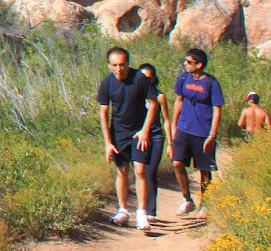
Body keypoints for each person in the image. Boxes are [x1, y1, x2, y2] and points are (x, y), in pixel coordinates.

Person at [96, 46, 159, 230]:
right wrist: (108, 143)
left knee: (140, 170)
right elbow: (103, 113)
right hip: (119, 133)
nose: (119, 69)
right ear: (109, 65)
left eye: (122, 64)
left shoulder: (139, 78)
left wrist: (145, 130)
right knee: (122, 171)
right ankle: (123, 210)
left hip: (138, 131)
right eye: (114, 65)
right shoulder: (107, 82)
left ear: (128, 63)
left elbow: (153, 103)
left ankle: (142, 213)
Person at [171, 47, 225, 214]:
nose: (185, 64)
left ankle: (205, 203)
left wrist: (212, 134)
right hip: (184, 128)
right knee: (177, 162)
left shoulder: (211, 83)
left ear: (199, 65)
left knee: (204, 170)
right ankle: (187, 199)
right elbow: (179, 101)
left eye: (189, 62)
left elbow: (217, 109)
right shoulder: (183, 78)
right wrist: (174, 125)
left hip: (203, 132)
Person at [137, 63, 170, 222]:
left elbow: (166, 120)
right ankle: (141, 209)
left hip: (156, 136)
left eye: (149, 78)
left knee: (150, 171)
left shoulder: (159, 96)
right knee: (140, 171)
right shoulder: (135, 95)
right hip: (138, 136)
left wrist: (170, 143)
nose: (146, 81)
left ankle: (150, 211)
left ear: (154, 78)